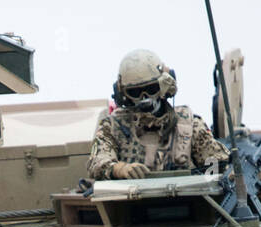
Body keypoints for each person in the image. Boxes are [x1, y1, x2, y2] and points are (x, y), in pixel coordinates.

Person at [88, 49, 229, 180]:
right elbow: (97, 161)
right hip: (130, 204)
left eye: (151, 89)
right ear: (124, 95)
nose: (145, 98)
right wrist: (119, 169)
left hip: (188, 201)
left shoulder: (189, 125)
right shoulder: (113, 127)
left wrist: (219, 172)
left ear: (165, 85)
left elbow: (218, 162)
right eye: (135, 92)